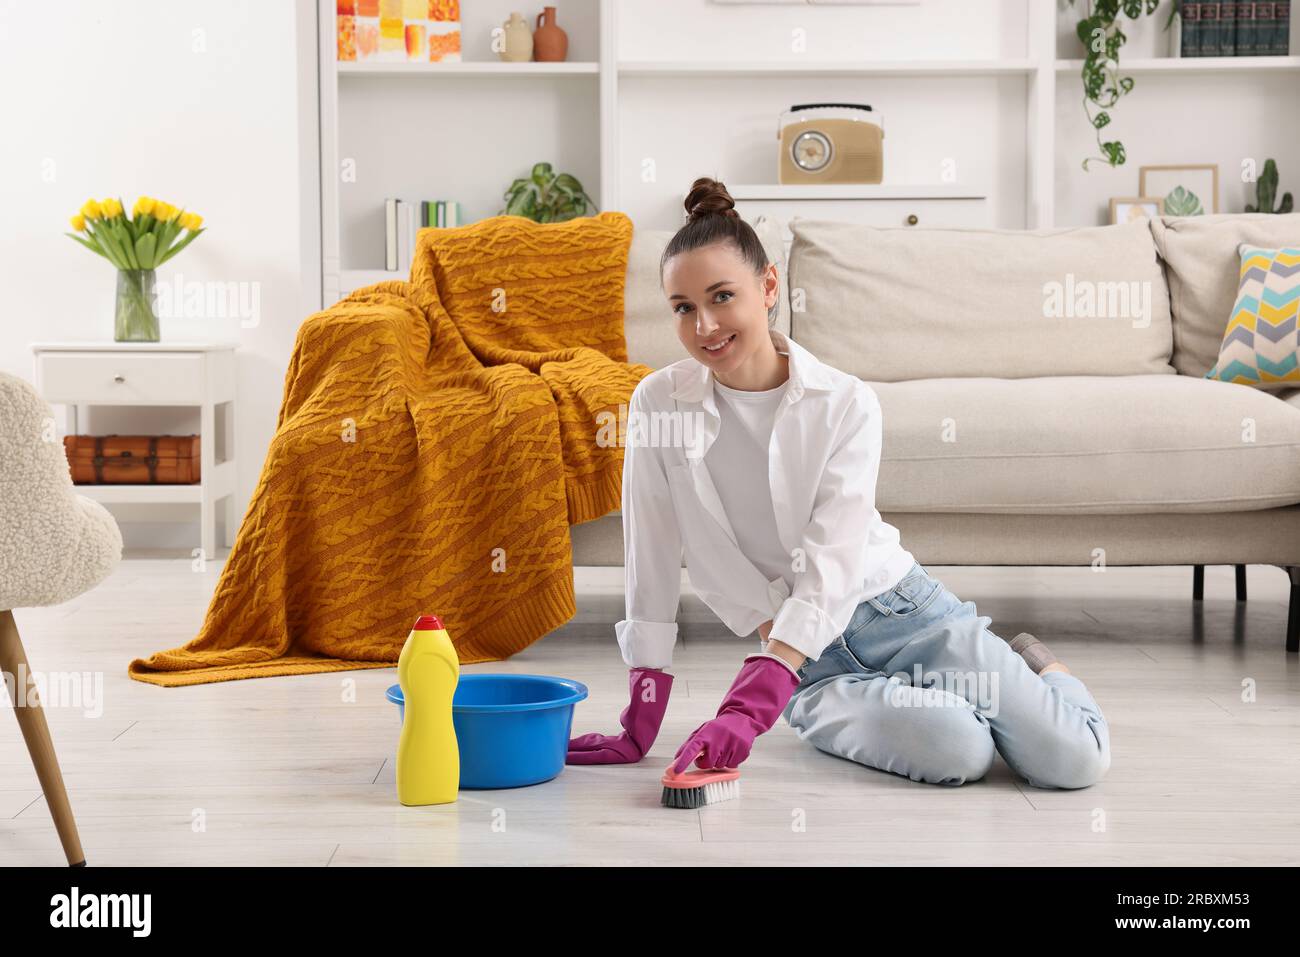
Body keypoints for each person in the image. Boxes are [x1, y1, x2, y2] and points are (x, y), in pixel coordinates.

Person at [566, 177, 1110, 789]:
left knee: (1074, 761)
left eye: (722, 297)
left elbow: (832, 558)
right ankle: (915, 710)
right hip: (809, 667)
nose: (705, 325)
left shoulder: (846, 403)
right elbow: (652, 552)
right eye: (683, 307)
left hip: (903, 618)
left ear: (768, 287)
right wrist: (641, 712)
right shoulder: (658, 403)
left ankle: (1041, 668)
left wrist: (749, 707)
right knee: (959, 751)